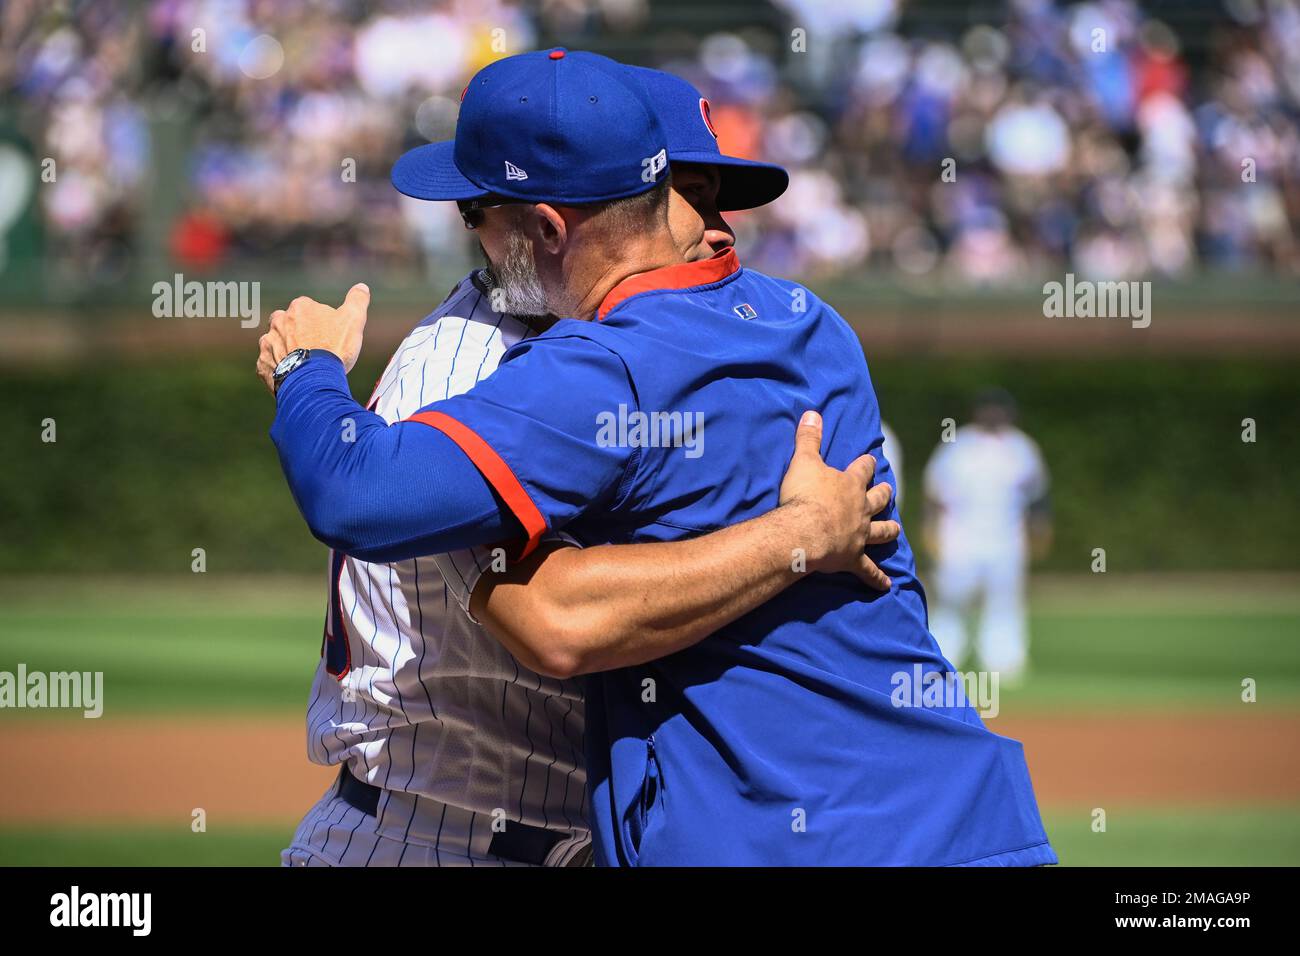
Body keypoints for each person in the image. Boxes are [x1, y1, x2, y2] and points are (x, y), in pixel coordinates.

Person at [262, 49, 1056, 865]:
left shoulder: (593, 368)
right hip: (970, 818)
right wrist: (799, 536)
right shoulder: (811, 324)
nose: (718, 224)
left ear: (547, 225)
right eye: (697, 189)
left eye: (475, 213)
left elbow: (524, 602)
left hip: (796, 839)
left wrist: (306, 366)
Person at [922, 388, 1052, 683]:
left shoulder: (1022, 447)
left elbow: (1038, 493)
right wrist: (930, 530)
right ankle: (943, 657)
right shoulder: (957, 444)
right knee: (952, 599)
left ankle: (1004, 663)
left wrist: (1040, 527)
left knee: (1004, 601)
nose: (994, 415)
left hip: (1007, 538)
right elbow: (934, 491)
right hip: (960, 537)